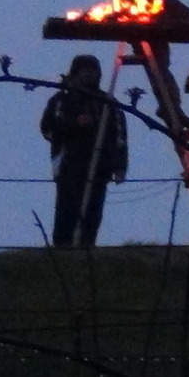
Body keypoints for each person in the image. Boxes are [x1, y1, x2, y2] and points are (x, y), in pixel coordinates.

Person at [40, 55, 128, 248]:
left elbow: (119, 136)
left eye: (93, 70)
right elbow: (48, 129)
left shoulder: (107, 102)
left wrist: (120, 166)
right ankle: (62, 247)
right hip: (68, 165)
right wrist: (75, 124)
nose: (89, 74)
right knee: (67, 208)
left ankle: (87, 247)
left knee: (93, 210)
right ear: (75, 73)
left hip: (100, 166)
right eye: (84, 69)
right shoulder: (62, 99)